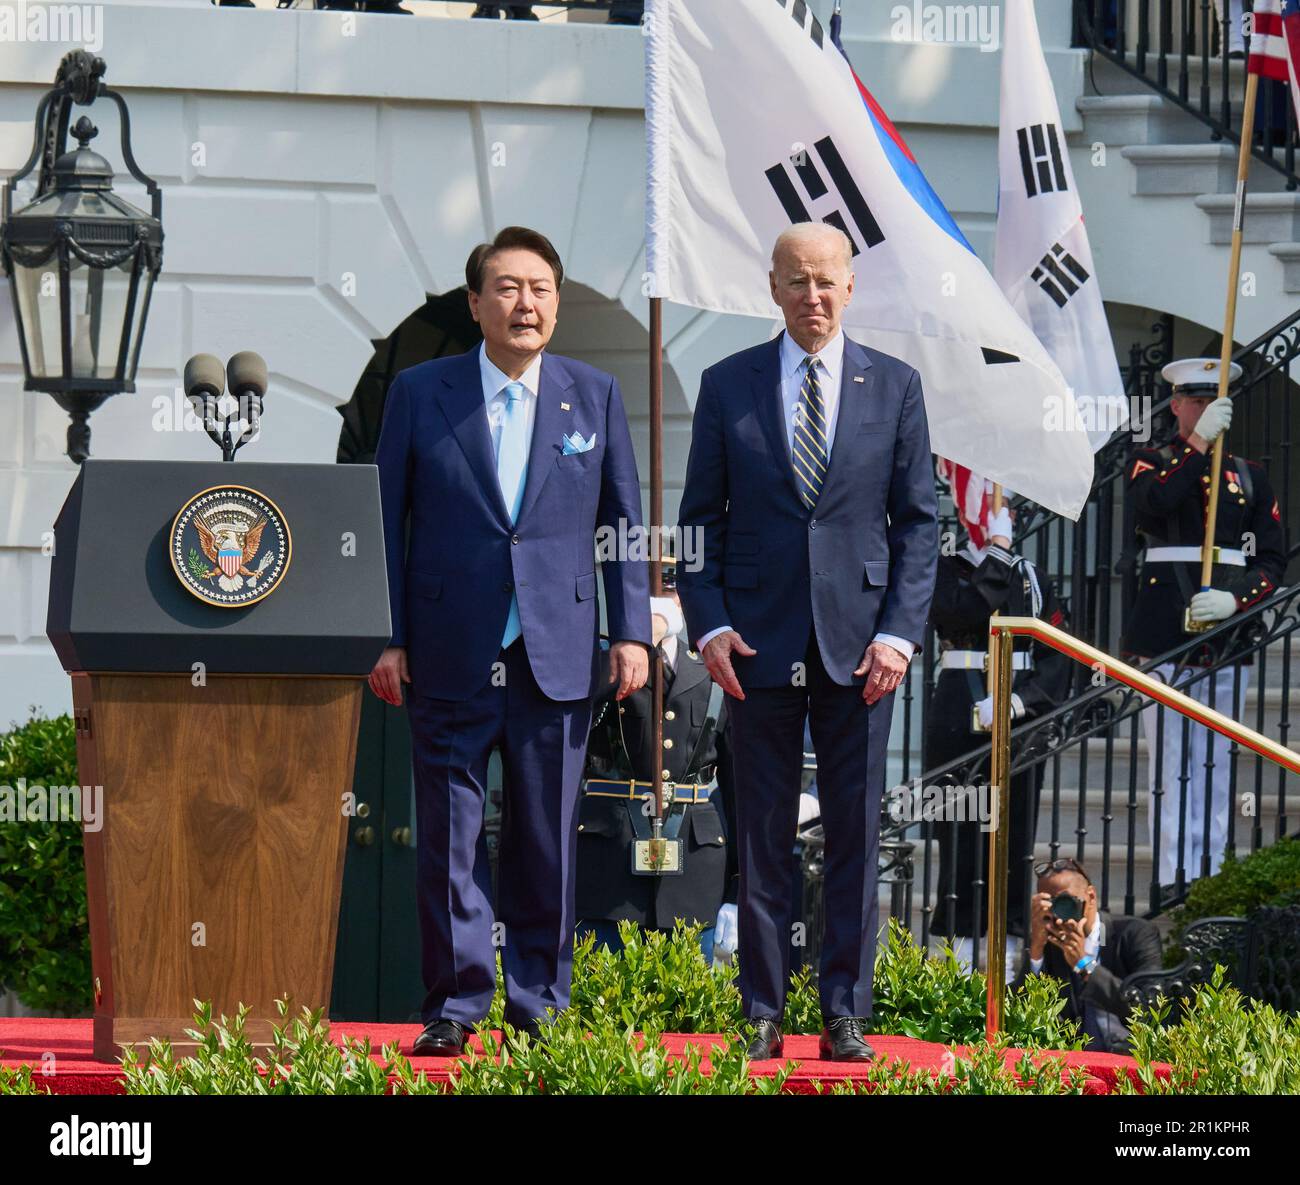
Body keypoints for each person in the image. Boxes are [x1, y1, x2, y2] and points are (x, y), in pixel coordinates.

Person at [370, 226, 652, 1055]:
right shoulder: (424, 393)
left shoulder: (593, 394)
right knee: (451, 841)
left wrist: (630, 630)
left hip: (557, 653)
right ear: (476, 303)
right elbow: (385, 520)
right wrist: (387, 638)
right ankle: (455, 1007)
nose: (524, 303)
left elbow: (624, 523)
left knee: (543, 840)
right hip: (447, 648)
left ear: (556, 303)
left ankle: (538, 1004)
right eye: (506, 287)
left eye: (539, 288)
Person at [677, 221, 939, 1061]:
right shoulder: (727, 385)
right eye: (797, 281)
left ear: (851, 287)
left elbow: (919, 525)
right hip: (753, 646)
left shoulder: (894, 386)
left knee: (857, 832)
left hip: (862, 649)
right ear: (773, 287)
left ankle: (843, 1012)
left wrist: (899, 634)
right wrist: (709, 622)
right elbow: (697, 526)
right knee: (759, 833)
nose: (813, 297)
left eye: (827, 281)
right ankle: (761, 1008)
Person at [1120, 357, 1286, 889]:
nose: (1205, 408)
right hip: (1165, 631)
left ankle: (1210, 873)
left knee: (1217, 764)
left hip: (1226, 634)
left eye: (1213, 400)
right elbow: (1154, 504)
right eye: (1195, 400)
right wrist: (1195, 449)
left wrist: (1237, 601)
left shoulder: (1250, 477)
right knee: (1171, 767)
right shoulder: (1153, 460)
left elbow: (1272, 560)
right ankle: (1174, 876)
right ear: (1176, 406)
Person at [925, 472, 1071, 981]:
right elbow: (962, 608)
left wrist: (1019, 701)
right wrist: (999, 552)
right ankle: (961, 949)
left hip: (1017, 720)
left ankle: (1009, 950)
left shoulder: (1031, 577)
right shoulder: (946, 566)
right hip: (958, 715)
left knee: (1013, 835)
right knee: (960, 833)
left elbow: (1058, 652)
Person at [576, 558, 738, 964]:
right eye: (643, 593)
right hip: (607, 868)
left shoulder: (713, 669)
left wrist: (738, 892)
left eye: (668, 592)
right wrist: (628, 644)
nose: (656, 605)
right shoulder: (595, 664)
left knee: (689, 1017)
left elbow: (739, 789)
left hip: (694, 869)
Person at [1013, 858, 1163, 1054]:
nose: (1060, 915)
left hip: (1132, 1055)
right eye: (1051, 904)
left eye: (1065, 902)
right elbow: (1019, 1010)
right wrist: (1035, 952)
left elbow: (1149, 1008)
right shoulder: (1050, 945)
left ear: (1091, 896)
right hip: (1073, 1062)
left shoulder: (1135, 933)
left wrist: (1085, 964)